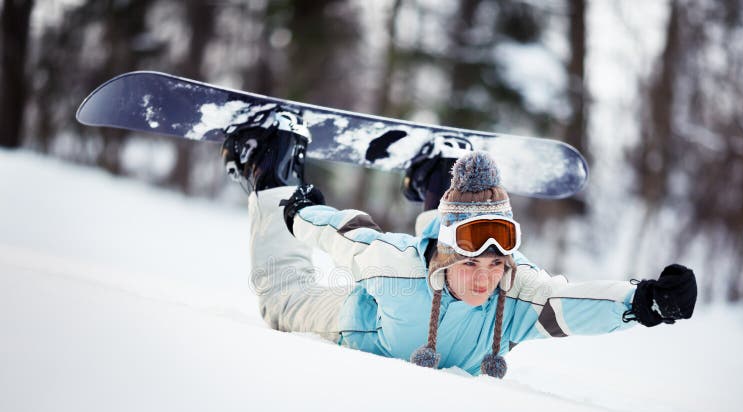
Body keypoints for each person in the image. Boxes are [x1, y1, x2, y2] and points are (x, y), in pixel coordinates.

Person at [221, 114, 697, 379]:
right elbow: (350, 235)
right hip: (350, 326)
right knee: (281, 301)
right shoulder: (397, 267)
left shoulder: (515, 295)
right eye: (470, 262)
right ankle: (272, 161)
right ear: (445, 255)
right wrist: (298, 210)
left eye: (495, 263)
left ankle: (439, 175)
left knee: (480, 249)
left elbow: (572, 303)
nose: (485, 277)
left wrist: (645, 301)